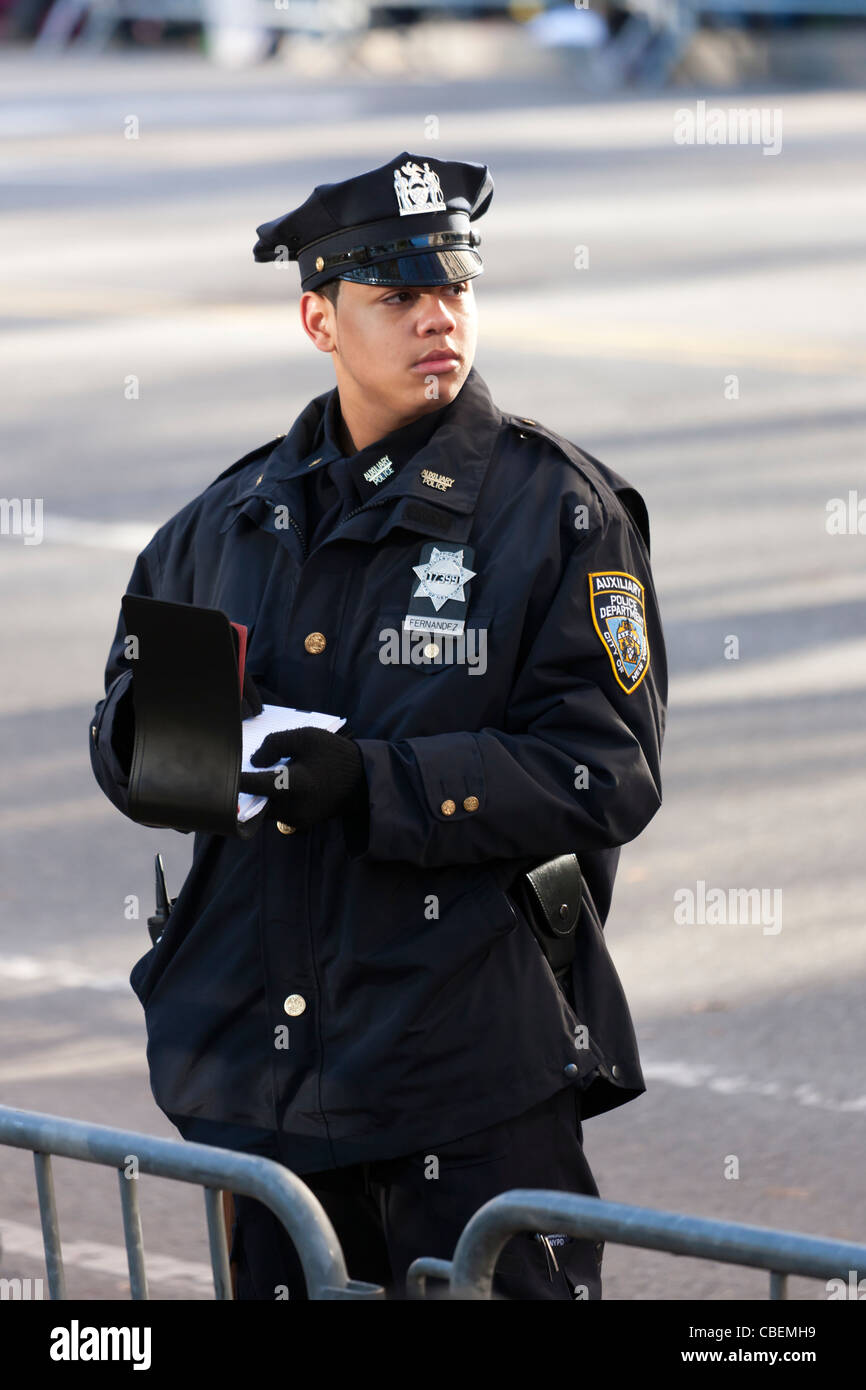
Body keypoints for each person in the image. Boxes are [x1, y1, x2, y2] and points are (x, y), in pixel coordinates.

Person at [88, 150, 667, 1301]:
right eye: (396, 297)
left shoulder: (555, 509)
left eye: (451, 289)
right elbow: (126, 739)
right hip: (263, 1073)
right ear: (319, 317)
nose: (435, 319)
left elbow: (605, 770)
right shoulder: (222, 524)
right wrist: (194, 752)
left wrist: (374, 781)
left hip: (466, 1065)